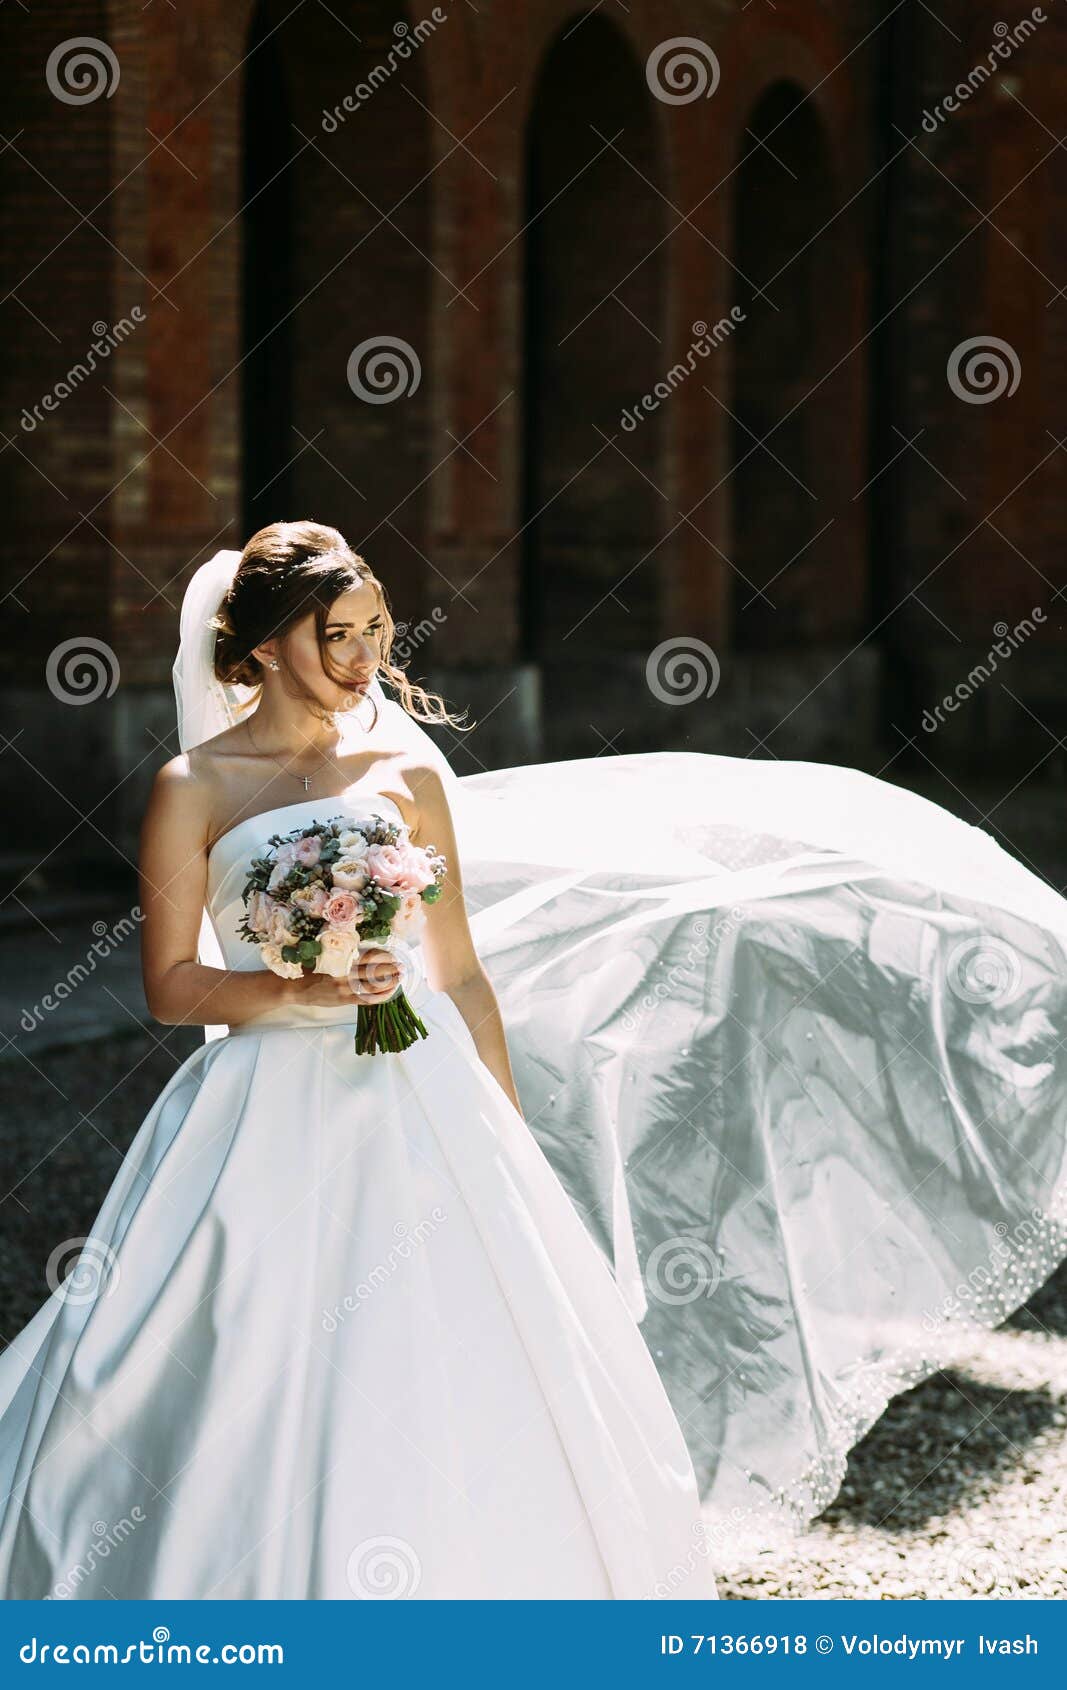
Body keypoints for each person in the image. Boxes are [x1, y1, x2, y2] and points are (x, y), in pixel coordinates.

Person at [0, 521, 717, 1601]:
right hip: (267, 1100)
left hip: (421, 1088)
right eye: (337, 635)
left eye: (376, 633)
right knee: (239, 1341)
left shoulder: (406, 766)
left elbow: (462, 973)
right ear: (269, 643)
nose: (364, 659)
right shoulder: (193, 784)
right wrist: (296, 987)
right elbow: (170, 986)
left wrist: (507, 1137)